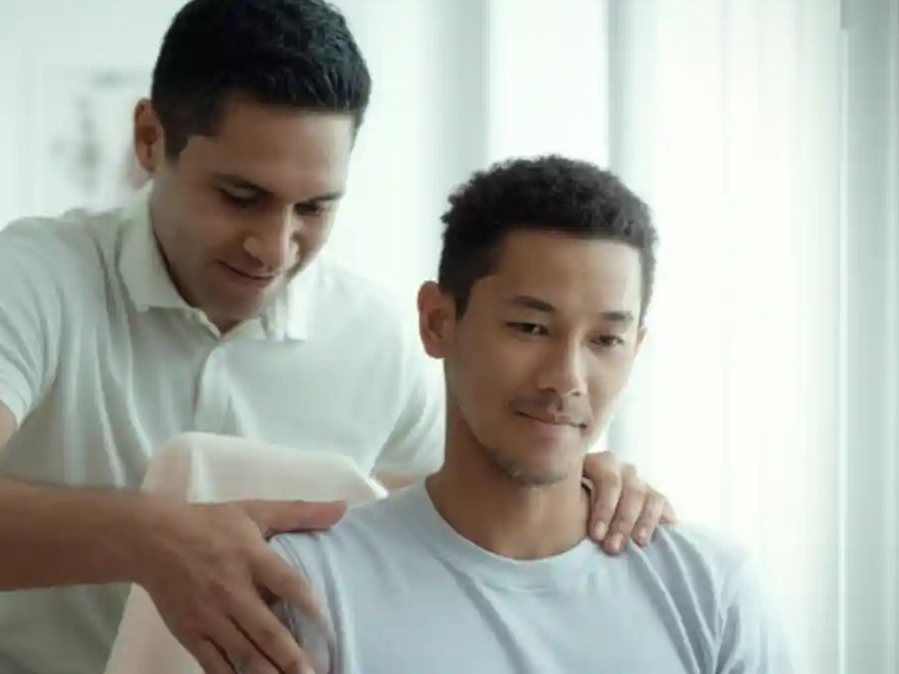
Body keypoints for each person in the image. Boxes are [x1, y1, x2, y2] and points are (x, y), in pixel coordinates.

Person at [0, 0, 674, 674]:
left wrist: (576, 476)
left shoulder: (371, 336)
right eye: (240, 197)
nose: (275, 249)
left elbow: (457, 514)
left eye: (314, 207)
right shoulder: (43, 275)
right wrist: (153, 539)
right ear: (149, 139)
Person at [270, 155, 796, 673]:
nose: (566, 378)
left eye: (605, 340)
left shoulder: (712, 590)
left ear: (635, 349)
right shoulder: (312, 584)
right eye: (530, 328)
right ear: (437, 322)